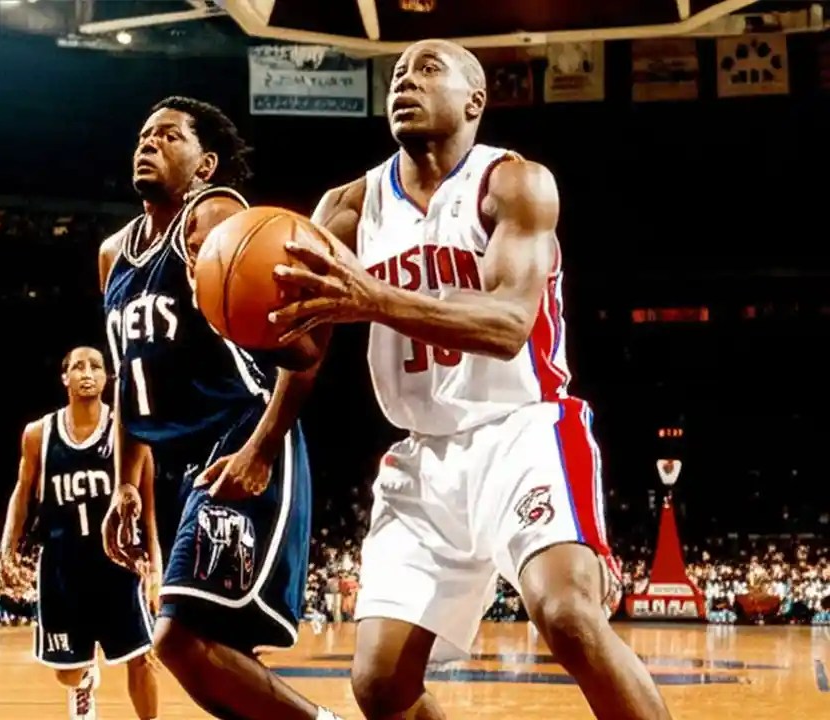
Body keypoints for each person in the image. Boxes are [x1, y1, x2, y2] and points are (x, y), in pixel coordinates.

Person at [267, 40, 674, 720]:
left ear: (474, 101)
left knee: (567, 614)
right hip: (422, 453)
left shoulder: (513, 183)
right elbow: (303, 347)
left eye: (428, 69)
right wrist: (251, 326)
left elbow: (508, 323)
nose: (405, 80)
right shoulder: (345, 205)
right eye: (397, 74)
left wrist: (371, 298)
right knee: (379, 685)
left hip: (523, 432)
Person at [98, 96, 341, 720]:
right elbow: (127, 380)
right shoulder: (111, 257)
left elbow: (306, 344)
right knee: (206, 653)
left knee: (177, 639)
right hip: (181, 466)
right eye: (144, 134)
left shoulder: (215, 216)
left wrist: (260, 448)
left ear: (206, 164)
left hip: (239, 439)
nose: (148, 143)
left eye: (169, 136)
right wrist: (126, 483)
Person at [0, 346, 160, 720]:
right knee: (66, 670)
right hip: (61, 566)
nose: (87, 373)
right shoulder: (39, 434)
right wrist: (8, 546)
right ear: (64, 378)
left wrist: (156, 571)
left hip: (118, 564)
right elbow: (22, 493)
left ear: (107, 377)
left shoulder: (130, 431)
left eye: (96, 366)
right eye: (77, 367)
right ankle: (84, 676)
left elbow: (150, 511)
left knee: (142, 657)